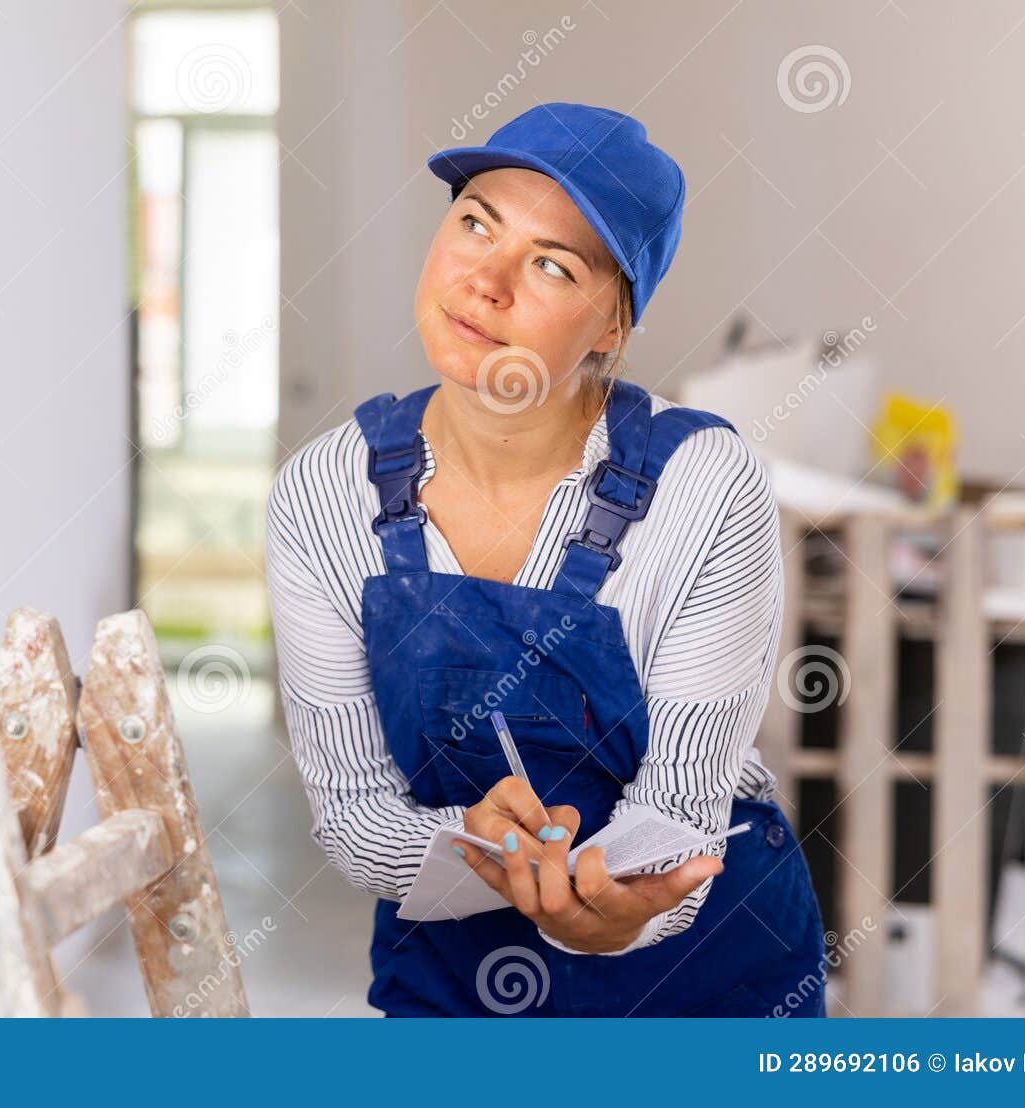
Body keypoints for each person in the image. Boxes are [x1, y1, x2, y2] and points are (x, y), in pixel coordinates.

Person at [264, 102, 825, 1017]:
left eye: (551, 265)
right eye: (476, 222)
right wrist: (471, 844)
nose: (485, 282)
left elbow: (683, 804)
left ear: (611, 325)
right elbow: (357, 810)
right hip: (455, 965)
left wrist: (608, 917)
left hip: (703, 963)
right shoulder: (326, 496)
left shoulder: (705, 487)